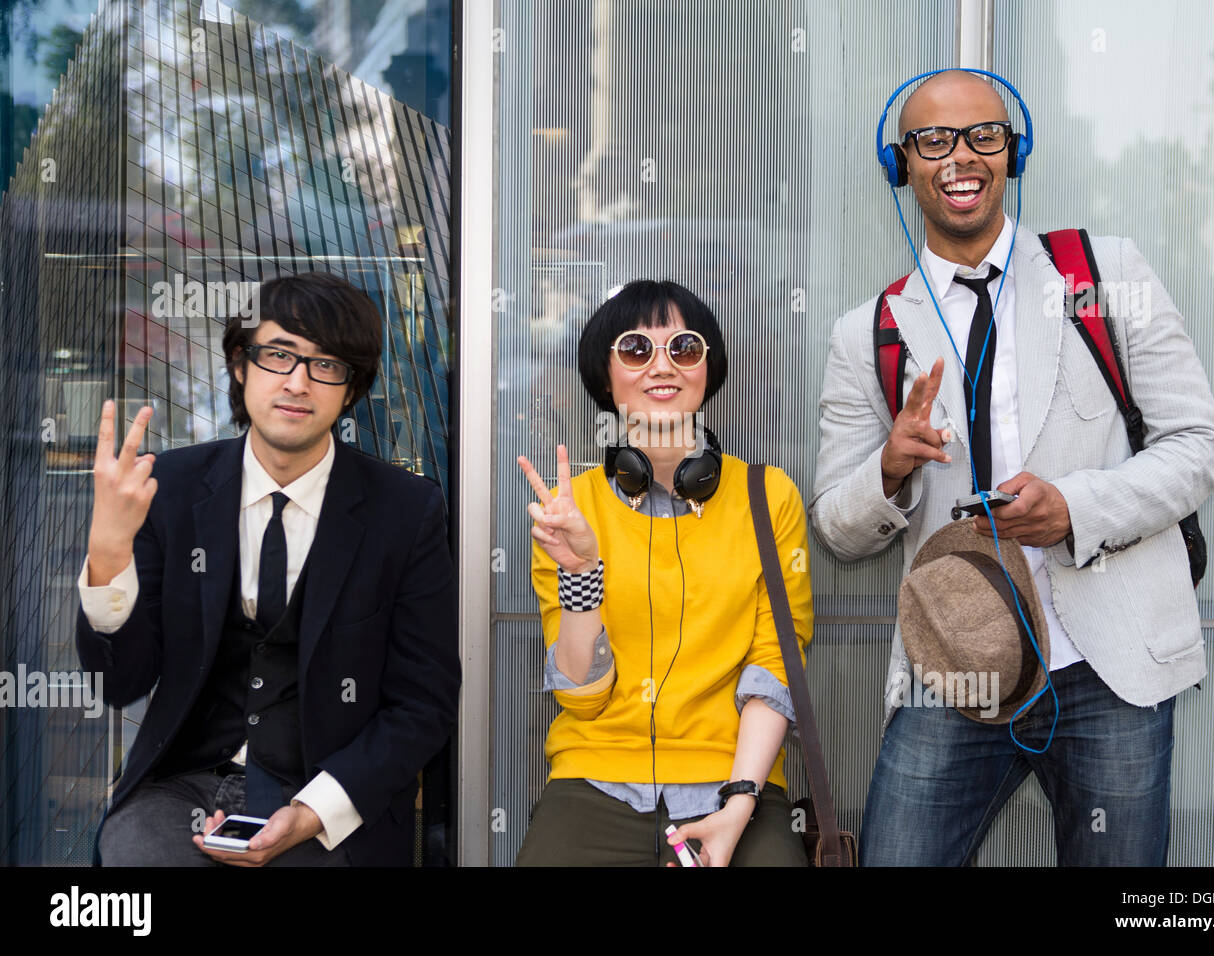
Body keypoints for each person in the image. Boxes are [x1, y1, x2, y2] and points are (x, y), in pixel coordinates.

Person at [809, 70, 1214, 866]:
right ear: (902, 164)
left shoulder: (1103, 274)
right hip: (956, 661)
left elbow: (1199, 443)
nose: (960, 157)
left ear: (1014, 151)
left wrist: (1077, 508)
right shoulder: (866, 330)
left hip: (1111, 663)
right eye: (933, 140)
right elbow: (836, 522)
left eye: (983, 136)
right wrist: (890, 470)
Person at [77, 272, 460, 866]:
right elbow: (121, 682)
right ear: (240, 365)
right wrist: (107, 555)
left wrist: (314, 812)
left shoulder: (405, 512)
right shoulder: (170, 490)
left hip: (326, 797)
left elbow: (423, 703)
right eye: (279, 355)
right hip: (183, 789)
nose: (297, 382)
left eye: (325, 365)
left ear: (352, 388)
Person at [514, 279, 811, 867]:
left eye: (683, 348)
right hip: (594, 777)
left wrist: (741, 798)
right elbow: (580, 696)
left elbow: (777, 665)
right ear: (605, 376)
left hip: (733, 779)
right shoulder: (569, 508)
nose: (661, 366)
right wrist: (579, 571)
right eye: (634, 350)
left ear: (707, 369)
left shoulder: (767, 496)